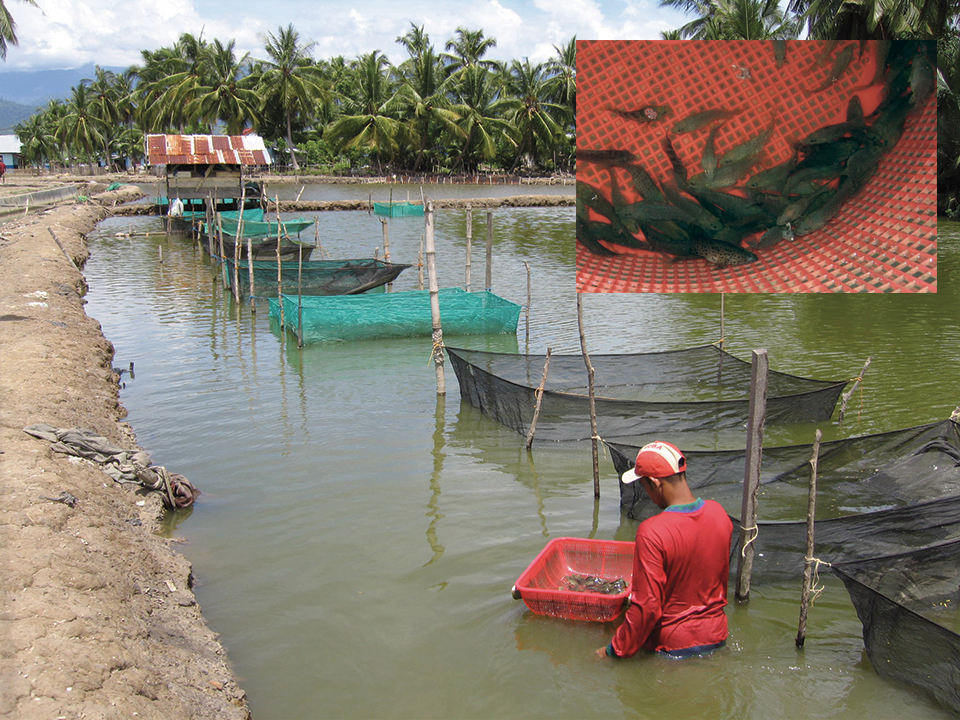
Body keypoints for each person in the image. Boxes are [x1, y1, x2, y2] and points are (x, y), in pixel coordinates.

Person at [596, 441, 733, 660]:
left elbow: (647, 608)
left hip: (670, 649)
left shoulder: (653, 532)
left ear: (653, 483)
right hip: (717, 637)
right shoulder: (720, 515)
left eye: (644, 485)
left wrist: (612, 651)